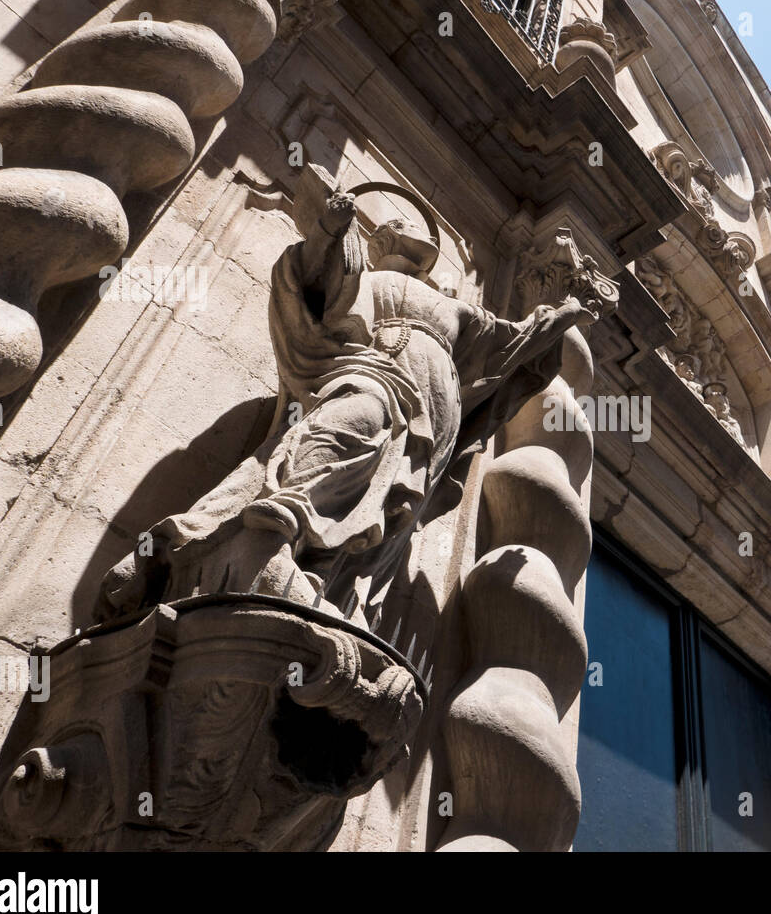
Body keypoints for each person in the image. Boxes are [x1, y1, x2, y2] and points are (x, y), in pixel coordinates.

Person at [96, 187, 607, 628]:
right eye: (394, 233)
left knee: (400, 506)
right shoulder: (364, 279)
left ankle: (336, 587)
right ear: (380, 243)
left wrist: (556, 318)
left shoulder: (456, 307)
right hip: (378, 375)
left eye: (412, 238)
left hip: (439, 408)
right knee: (345, 429)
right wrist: (328, 228)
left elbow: (504, 344)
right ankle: (264, 529)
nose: (406, 241)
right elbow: (313, 282)